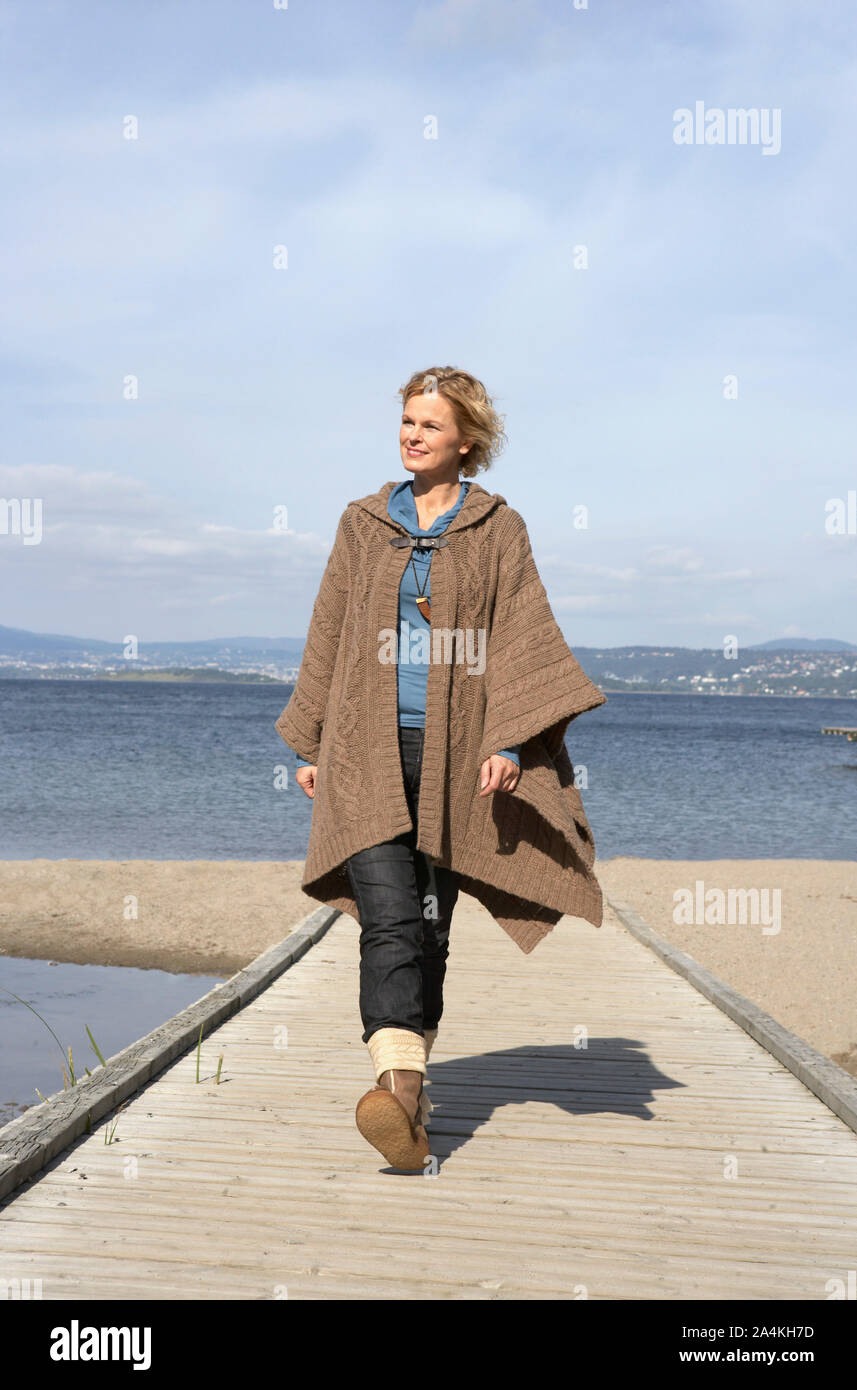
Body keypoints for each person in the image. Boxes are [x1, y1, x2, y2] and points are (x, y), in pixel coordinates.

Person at [275, 366, 606, 1171]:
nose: (412, 435)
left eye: (429, 425)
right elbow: (329, 629)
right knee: (389, 918)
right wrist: (314, 740)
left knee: (428, 926)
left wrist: (510, 745)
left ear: (467, 439)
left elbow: (524, 640)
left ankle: (406, 1107)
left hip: (457, 757)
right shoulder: (362, 523)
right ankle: (399, 1089)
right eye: (406, 423)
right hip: (367, 750)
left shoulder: (497, 528)